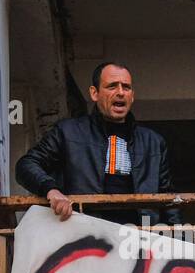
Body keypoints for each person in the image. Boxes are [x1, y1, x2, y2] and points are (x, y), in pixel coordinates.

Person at [16, 62, 182, 226]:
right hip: (85, 234)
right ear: (94, 93)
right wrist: (51, 190)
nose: (120, 92)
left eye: (126, 87)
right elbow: (26, 164)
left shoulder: (153, 142)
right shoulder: (68, 132)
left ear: (132, 96)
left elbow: (167, 196)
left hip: (139, 237)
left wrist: (177, 240)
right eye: (112, 86)